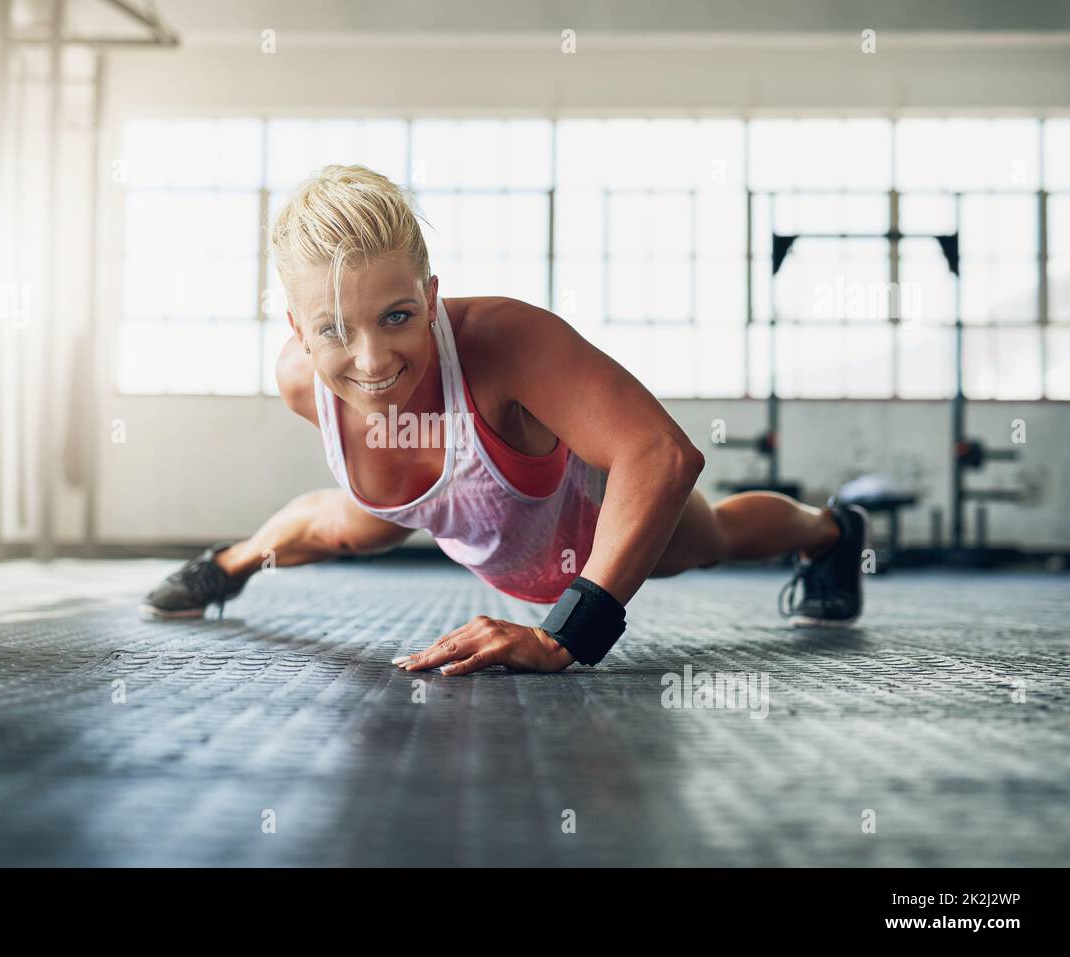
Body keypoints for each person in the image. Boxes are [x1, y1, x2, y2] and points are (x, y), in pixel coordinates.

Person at [140, 165, 869, 674]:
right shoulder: (301, 383)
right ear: (298, 329)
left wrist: (564, 638)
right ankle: (226, 566)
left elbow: (661, 453)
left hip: (572, 520)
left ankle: (831, 532)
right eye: (333, 330)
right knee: (350, 521)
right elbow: (361, 490)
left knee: (710, 539)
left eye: (397, 316)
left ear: (430, 298)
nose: (370, 360)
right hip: (447, 507)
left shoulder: (506, 341)